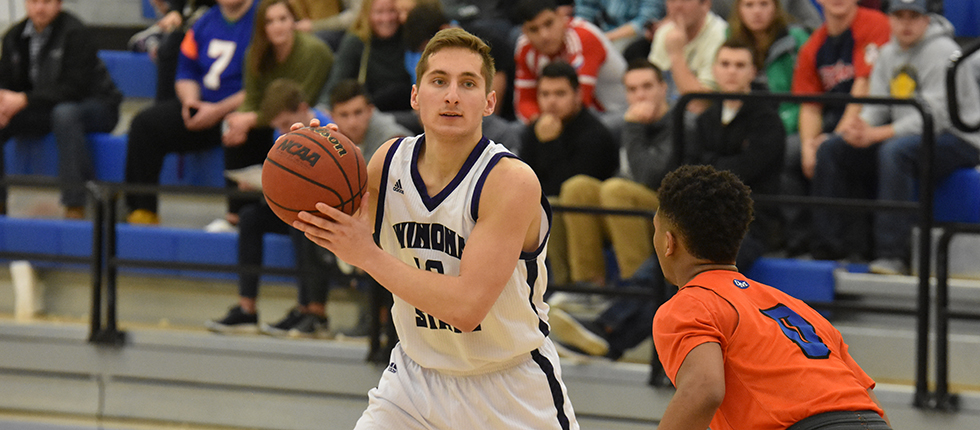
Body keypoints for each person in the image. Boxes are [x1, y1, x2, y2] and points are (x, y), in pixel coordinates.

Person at [292, 27, 579, 429]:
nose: (452, 95)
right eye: (439, 80)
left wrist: (366, 254)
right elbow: (342, 235)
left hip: (507, 389)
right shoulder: (387, 161)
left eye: (468, 83)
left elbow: (466, 307)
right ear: (415, 95)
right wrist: (314, 168)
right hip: (414, 380)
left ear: (489, 101)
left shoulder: (510, 181)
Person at [549, 42, 783, 360]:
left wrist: (716, 162)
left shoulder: (767, 120)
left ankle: (607, 331)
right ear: (714, 70)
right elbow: (705, 170)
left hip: (747, 227)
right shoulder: (706, 118)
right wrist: (723, 161)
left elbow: (737, 174)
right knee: (660, 270)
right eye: (725, 64)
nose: (731, 71)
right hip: (703, 220)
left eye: (740, 65)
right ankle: (605, 334)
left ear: (753, 72)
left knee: (674, 272)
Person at [651, 164, 893, 430]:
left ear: (668, 242)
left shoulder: (690, 303)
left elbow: (704, 389)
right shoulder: (797, 307)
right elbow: (869, 402)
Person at [206, 78, 409, 336]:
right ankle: (247, 309)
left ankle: (316, 312)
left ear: (370, 111)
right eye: (344, 115)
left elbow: (382, 191)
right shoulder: (306, 134)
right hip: (339, 210)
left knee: (308, 221)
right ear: (332, 114)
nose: (352, 121)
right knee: (252, 217)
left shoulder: (391, 139)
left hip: (373, 216)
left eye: (358, 113)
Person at [810, 0, 980, 272]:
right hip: (907, 135)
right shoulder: (887, 53)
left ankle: (892, 255)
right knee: (834, 149)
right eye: (899, 16)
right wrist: (859, 128)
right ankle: (830, 249)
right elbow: (876, 107)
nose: (906, 23)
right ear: (888, 19)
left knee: (894, 152)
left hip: (958, 139)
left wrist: (880, 133)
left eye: (914, 16)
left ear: (927, 20)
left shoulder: (943, 51)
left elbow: (937, 115)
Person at [124, 0, 257, 225]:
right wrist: (191, 103)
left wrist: (218, 111)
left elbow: (264, 85)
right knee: (144, 124)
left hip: (242, 110)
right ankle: (142, 211)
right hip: (204, 107)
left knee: (239, 124)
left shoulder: (263, 19)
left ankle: (238, 220)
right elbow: (186, 70)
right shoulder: (205, 21)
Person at [212, 0, 333, 230]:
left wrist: (251, 119)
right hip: (271, 119)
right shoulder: (254, 53)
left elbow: (295, 104)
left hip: (305, 119)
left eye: (283, 19)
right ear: (261, 27)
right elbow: (251, 98)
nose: (277, 26)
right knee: (231, 128)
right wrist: (241, 122)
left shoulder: (314, 52)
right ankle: (234, 213)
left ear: (293, 22)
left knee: (272, 128)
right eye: (269, 21)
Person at [783, 0, 889, 254]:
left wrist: (831, 137)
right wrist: (809, 144)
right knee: (789, 152)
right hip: (834, 120)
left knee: (830, 151)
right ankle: (797, 239)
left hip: (874, 118)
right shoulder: (814, 45)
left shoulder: (874, 24)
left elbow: (864, 87)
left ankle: (828, 246)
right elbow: (810, 106)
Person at [0, 0, 122, 218]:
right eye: (33, 1)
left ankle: (75, 206)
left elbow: (74, 88)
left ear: (59, 4)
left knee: (65, 114)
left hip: (96, 105)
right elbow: (7, 83)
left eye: (46, 1)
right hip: (45, 106)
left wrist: (24, 99)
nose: (39, 8)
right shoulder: (13, 37)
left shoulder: (75, 32)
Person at [558, 59, 673, 291]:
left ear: (664, 88)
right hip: (626, 211)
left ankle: (637, 290)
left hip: (668, 216)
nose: (640, 95)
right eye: (632, 89)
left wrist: (633, 128)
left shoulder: (680, 124)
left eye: (647, 87)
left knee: (616, 190)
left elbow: (648, 178)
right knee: (576, 187)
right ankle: (589, 288)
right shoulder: (624, 123)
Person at [519, 61, 619, 287]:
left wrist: (551, 143)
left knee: (553, 203)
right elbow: (523, 183)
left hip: (596, 216)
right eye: (545, 94)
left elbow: (565, 187)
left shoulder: (595, 135)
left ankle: (573, 286)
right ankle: (543, 288)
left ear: (577, 95)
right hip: (548, 212)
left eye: (560, 93)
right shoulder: (533, 131)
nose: (551, 101)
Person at [513, 0, 628, 124]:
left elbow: (579, 102)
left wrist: (548, 126)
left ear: (562, 17)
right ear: (525, 31)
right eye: (534, 29)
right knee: (517, 131)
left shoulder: (584, 37)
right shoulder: (525, 48)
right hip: (565, 117)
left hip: (615, 113)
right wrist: (539, 123)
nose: (544, 35)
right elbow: (524, 102)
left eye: (549, 24)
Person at [726, 0, 808, 134]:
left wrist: (778, 126)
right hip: (742, 122)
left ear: (775, 8)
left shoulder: (796, 39)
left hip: (788, 121)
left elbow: (808, 96)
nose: (757, 12)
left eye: (764, 4)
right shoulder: (729, 39)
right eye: (749, 5)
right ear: (739, 10)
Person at [317, 0, 413, 112]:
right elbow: (335, 84)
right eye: (379, 12)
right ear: (367, 14)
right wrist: (322, 112)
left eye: (392, 11)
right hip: (371, 114)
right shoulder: (356, 42)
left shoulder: (410, 38)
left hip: (410, 112)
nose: (386, 18)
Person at [646, 0, 728, 113]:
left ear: (705, 4)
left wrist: (676, 55)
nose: (678, 6)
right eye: (672, 1)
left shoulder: (721, 36)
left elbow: (700, 101)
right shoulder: (664, 32)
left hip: (704, 115)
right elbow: (649, 83)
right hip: (664, 109)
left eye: (685, 0)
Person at [574, 0, 666, 52]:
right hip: (603, 33)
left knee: (611, 50)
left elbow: (645, 21)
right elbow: (584, 12)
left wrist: (605, 38)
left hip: (638, 35)